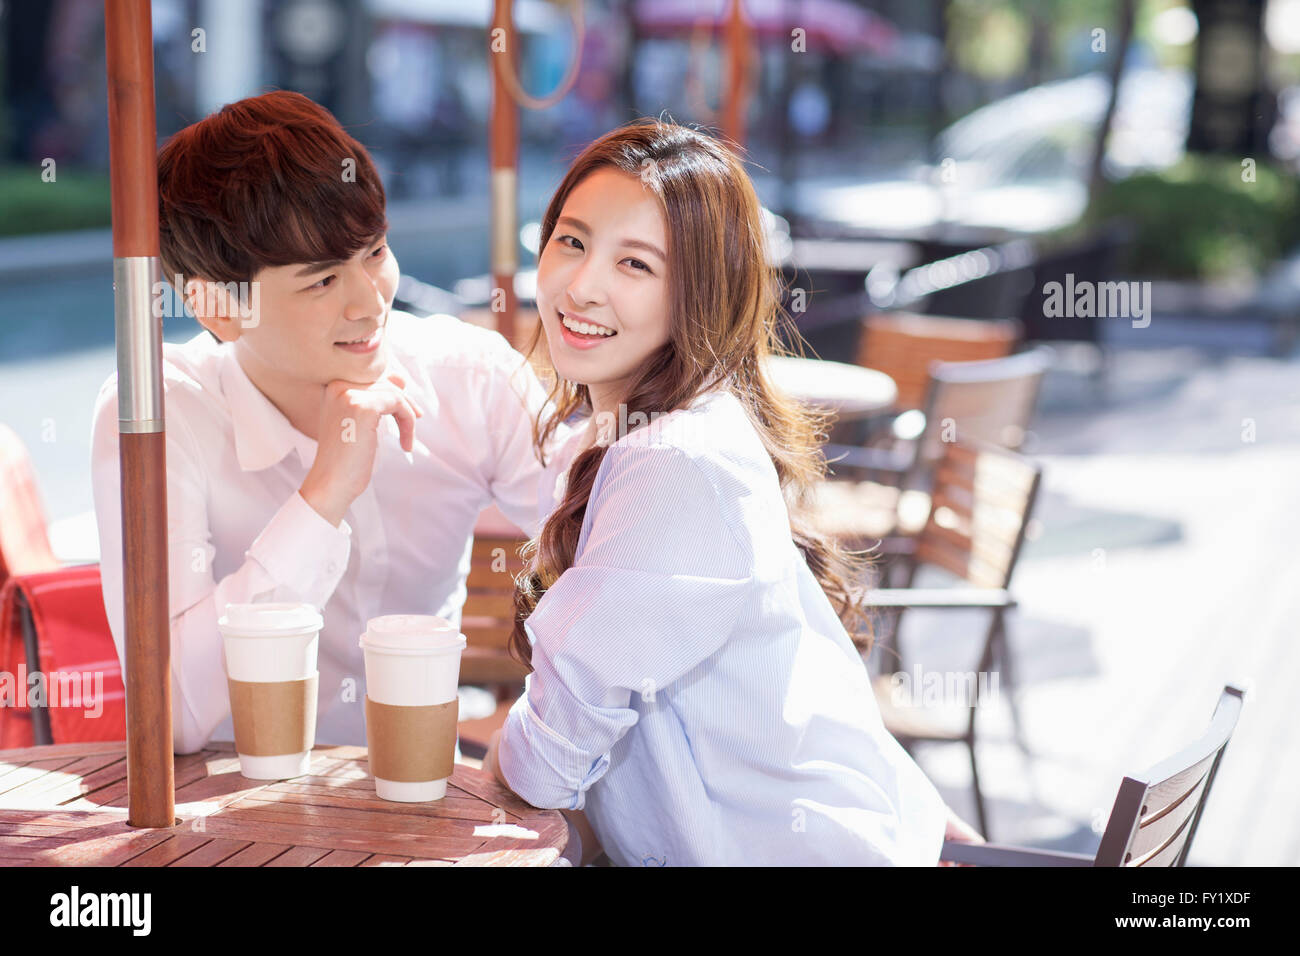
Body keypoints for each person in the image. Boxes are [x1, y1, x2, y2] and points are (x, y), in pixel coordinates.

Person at [482, 120, 983, 866]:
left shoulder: (674, 459)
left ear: (699, 292)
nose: (582, 286)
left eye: (636, 264)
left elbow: (549, 762)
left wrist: (476, 763)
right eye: (572, 241)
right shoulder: (675, 425)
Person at [91, 90, 563, 753]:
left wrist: (538, 750)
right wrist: (323, 497)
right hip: (228, 811)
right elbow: (168, 710)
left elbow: (608, 555)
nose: (371, 305)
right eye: (321, 282)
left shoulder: (470, 377)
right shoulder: (155, 414)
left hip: (425, 794)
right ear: (219, 309)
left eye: (374, 254)